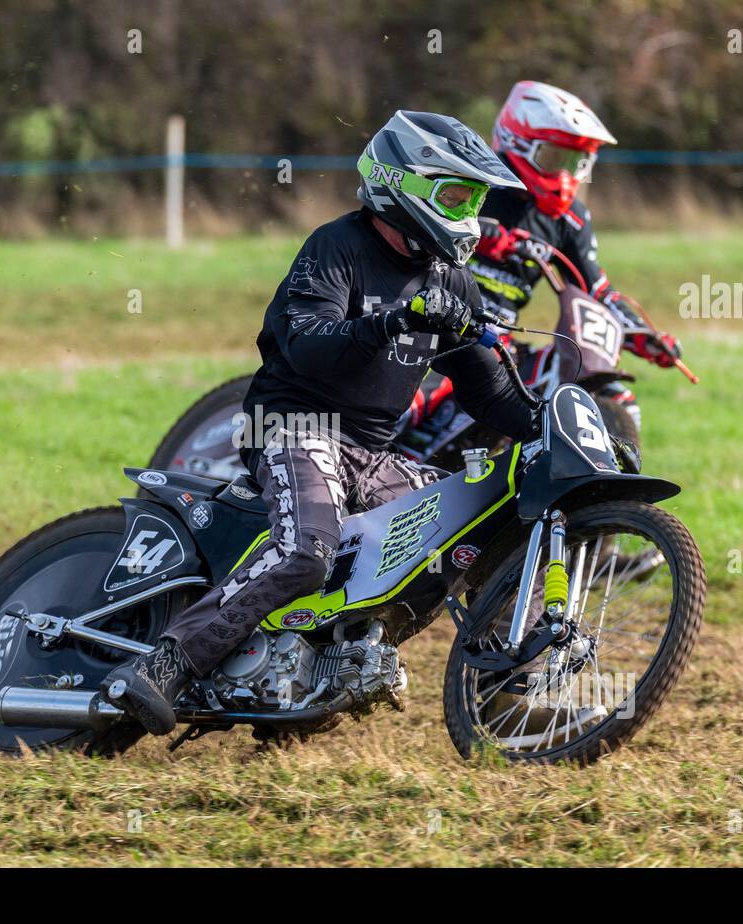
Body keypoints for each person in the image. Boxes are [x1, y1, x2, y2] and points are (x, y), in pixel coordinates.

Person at [102, 110, 539, 735]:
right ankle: (168, 661)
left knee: (464, 533)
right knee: (307, 553)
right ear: (403, 184)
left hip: (371, 452)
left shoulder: (453, 281)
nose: (468, 212)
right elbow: (308, 342)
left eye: (474, 197)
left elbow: (489, 393)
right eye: (454, 194)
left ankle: (392, 679)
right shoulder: (337, 247)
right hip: (295, 425)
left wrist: (553, 428)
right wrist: (396, 318)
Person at [470, 81, 683, 382]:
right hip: (437, 331)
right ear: (516, 142)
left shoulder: (570, 220)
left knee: (605, 388)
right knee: (408, 406)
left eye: (575, 163)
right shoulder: (472, 187)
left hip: (501, 345)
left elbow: (594, 290)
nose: (565, 176)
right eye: (555, 159)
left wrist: (642, 335)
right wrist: (472, 234)